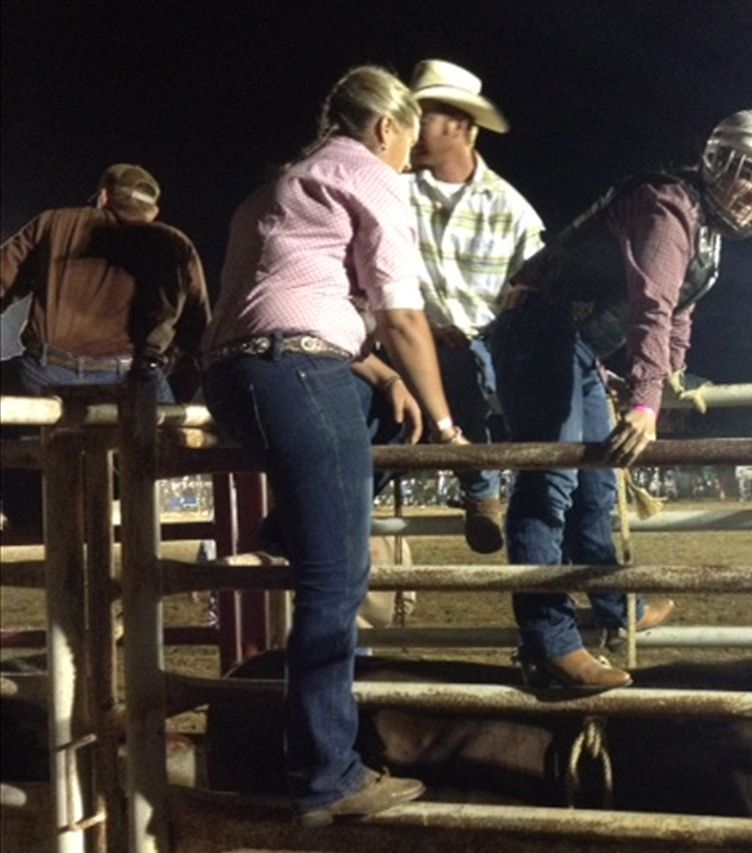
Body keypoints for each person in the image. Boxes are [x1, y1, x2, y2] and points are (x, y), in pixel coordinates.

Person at [201, 65, 464, 825]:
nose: (408, 162)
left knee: (380, 411)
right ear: (386, 128)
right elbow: (401, 312)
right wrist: (446, 425)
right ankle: (327, 773)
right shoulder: (366, 172)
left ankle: (290, 522)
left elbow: (287, 303)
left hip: (241, 377)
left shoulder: (282, 184)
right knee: (337, 582)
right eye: (409, 146)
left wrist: (384, 377)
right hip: (297, 374)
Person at [491, 110, 752, 689]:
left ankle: (614, 604)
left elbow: (679, 313)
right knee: (550, 482)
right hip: (540, 332)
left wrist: (670, 374)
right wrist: (645, 400)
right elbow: (652, 304)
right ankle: (549, 642)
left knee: (597, 483)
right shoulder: (668, 205)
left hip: (571, 344)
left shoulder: (703, 225)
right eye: (751, 175)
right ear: (720, 162)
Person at [0, 163, 210, 534]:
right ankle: (123, 516)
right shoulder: (175, 242)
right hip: (134, 381)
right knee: (151, 446)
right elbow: (198, 334)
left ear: (103, 197)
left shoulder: (55, 223)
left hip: (48, 373)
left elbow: (3, 279)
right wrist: (175, 383)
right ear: (153, 210)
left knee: (19, 426)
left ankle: (33, 514)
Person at [405, 59, 545, 554]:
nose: (406, 129)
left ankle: (485, 492)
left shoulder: (512, 210)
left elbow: (537, 291)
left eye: (418, 117)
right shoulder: (392, 193)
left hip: (488, 354)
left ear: (459, 126)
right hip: (414, 350)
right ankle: (483, 493)